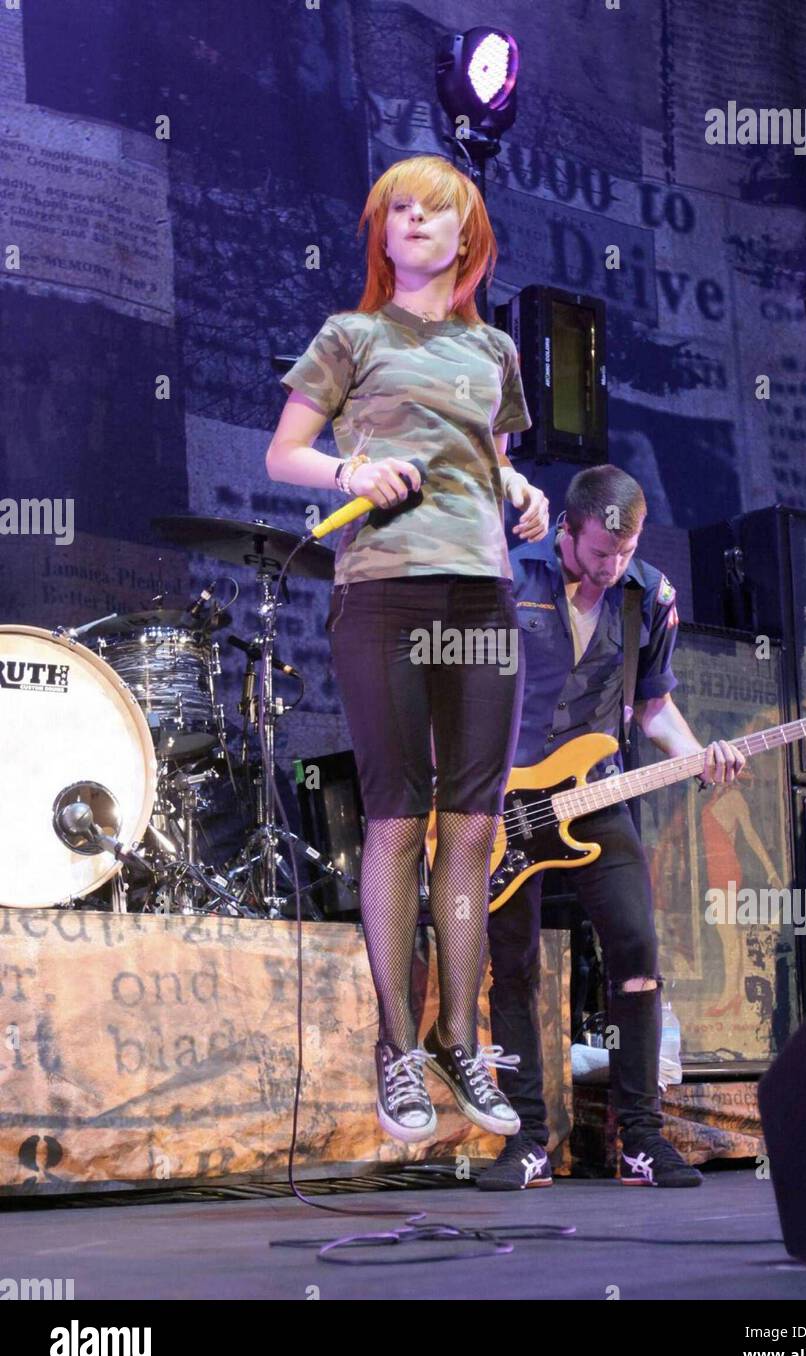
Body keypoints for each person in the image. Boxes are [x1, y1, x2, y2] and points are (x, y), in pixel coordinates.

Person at [265, 154, 549, 1144]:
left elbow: (493, 463)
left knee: (472, 827)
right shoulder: (350, 335)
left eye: (435, 209)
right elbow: (283, 452)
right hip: (382, 592)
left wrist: (523, 496)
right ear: (381, 232)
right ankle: (397, 1045)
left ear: (465, 233)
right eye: (398, 208)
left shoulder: (495, 352)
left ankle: (459, 1042)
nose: (415, 220)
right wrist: (352, 465)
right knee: (396, 820)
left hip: (482, 595)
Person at [478, 465, 746, 1190]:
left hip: (595, 793)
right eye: (600, 553)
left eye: (624, 554)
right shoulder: (507, 574)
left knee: (636, 949)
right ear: (567, 530)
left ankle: (641, 1138)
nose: (611, 567)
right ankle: (526, 1141)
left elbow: (652, 705)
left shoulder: (649, 596)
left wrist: (699, 758)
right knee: (514, 969)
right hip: (505, 802)